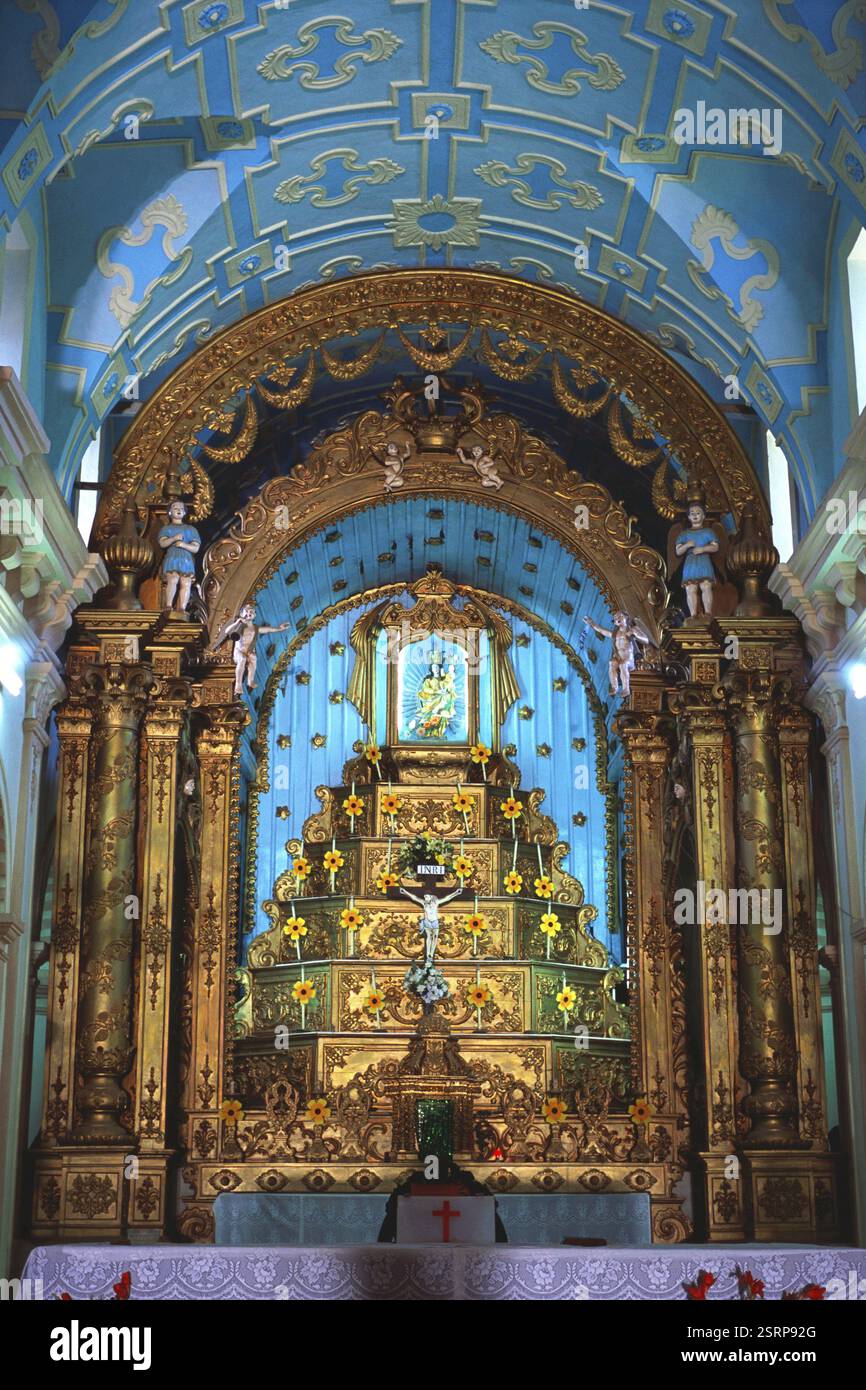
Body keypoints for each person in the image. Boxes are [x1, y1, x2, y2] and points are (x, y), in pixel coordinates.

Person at [221, 602, 291, 695]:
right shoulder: (240, 626)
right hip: (239, 651)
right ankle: (238, 684)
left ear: (254, 615)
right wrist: (237, 622)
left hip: (249, 651)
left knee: (253, 657)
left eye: (251, 612)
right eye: (246, 611)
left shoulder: (255, 628)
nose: (249, 613)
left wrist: (279, 629)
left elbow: (268, 629)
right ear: (242, 614)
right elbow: (227, 631)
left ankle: (250, 680)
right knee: (242, 659)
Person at [674, 502, 720, 616]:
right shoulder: (684, 534)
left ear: (703, 516)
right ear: (689, 517)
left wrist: (703, 549)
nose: (695, 515)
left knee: (706, 586)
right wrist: (687, 545)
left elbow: (715, 547)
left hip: (704, 561)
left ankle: (708, 613)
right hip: (690, 563)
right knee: (690, 589)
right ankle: (693, 614)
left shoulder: (708, 532)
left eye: (698, 513)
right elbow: (678, 551)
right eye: (692, 513)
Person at [157, 500, 201, 612]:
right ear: (170, 512)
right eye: (175, 508)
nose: (178, 510)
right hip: (172, 557)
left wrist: (183, 544)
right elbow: (162, 543)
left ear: (185, 513)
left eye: (181, 508)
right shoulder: (166, 529)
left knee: (186, 583)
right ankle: (168, 605)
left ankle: (182, 608)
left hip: (186, 559)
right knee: (173, 579)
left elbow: (195, 548)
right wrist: (174, 538)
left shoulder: (191, 529)